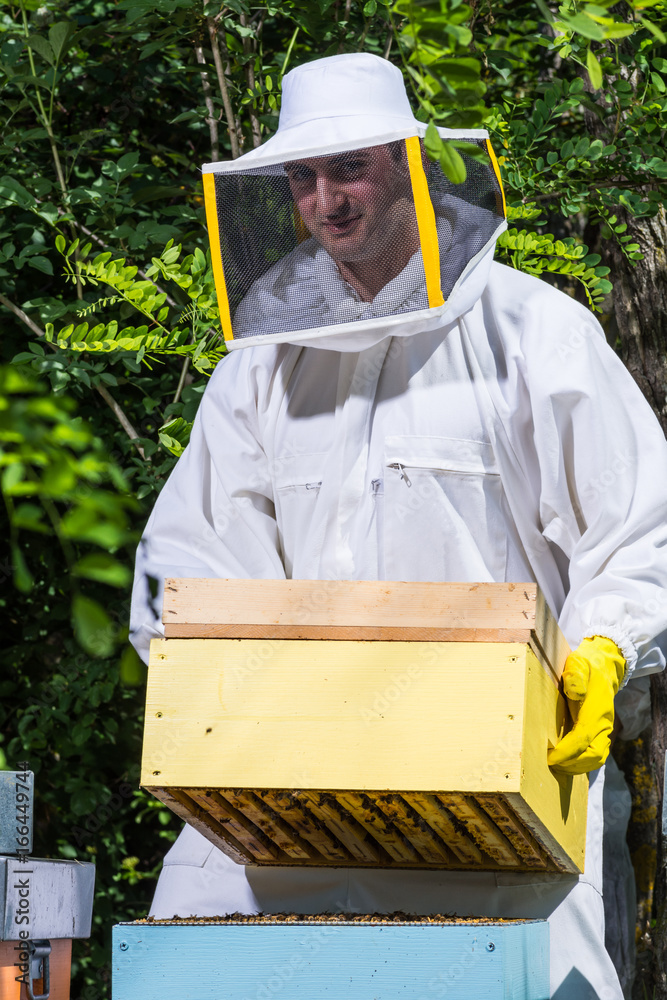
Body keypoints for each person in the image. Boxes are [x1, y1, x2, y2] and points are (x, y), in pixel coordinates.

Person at [130, 52, 667, 1000]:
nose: (325, 200)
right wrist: (212, 671)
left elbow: (638, 524)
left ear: (411, 166)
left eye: (350, 170)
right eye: (302, 178)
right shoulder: (260, 368)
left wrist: (602, 646)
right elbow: (190, 561)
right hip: (287, 803)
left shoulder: (532, 332)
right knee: (185, 963)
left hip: (502, 819)